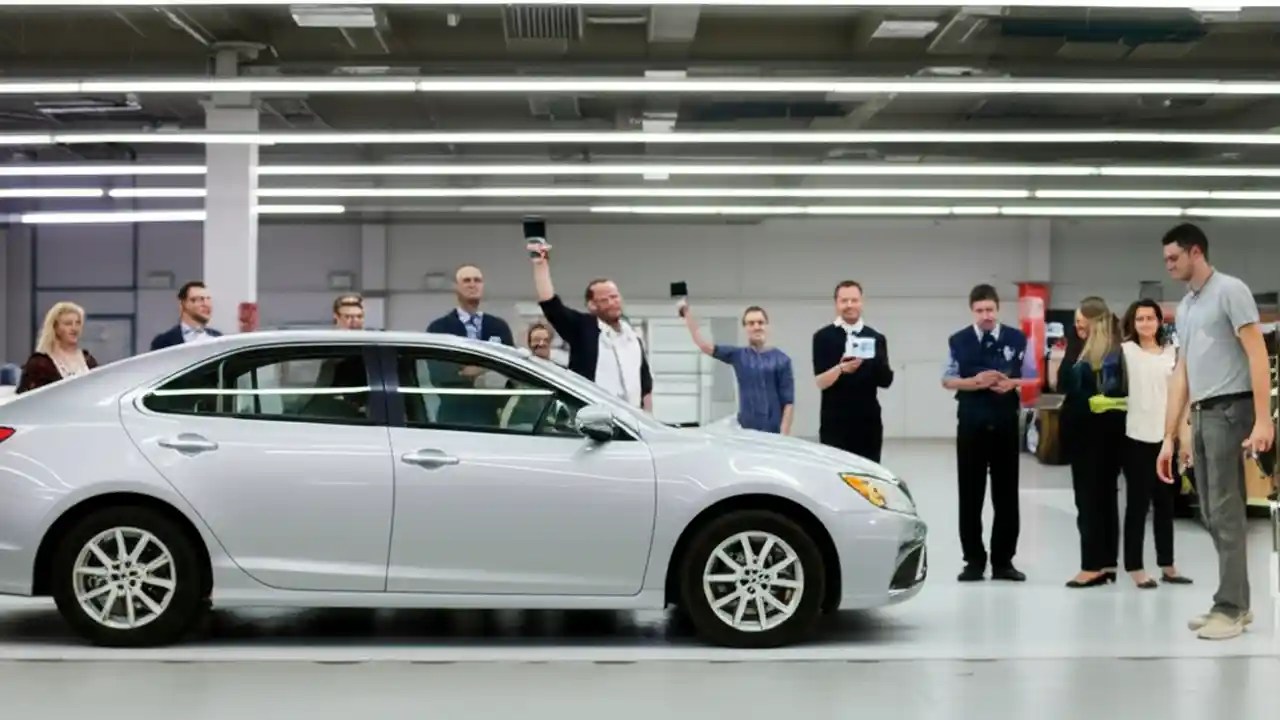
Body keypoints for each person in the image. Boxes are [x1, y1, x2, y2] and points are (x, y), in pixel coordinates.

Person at [1156, 222, 1273, 640]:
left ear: (1196, 252)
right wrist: (1171, 435)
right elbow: (1182, 372)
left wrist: (1264, 419)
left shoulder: (1230, 291)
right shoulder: (1187, 306)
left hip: (1230, 409)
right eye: (1166, 259)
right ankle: (1232, 600)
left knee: (1225, 510)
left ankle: (1232, 608)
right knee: (1208, 511)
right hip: (1202, 413)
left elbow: (1257, 354)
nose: (1169, 265)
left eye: (1174, 257)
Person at [942, 284, 1037, 582]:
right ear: (972, 311)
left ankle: (1003, 562)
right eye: (980, 310)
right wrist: (975, 382)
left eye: (990, 310)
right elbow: (947, 379)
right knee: (970, 494)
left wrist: (1013, 384)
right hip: (971, 423)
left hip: (1005, 422)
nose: (986, 315)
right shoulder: (958, 340)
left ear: (998, 309)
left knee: (1006, 494)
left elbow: (1032, 377)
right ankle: (973, 561)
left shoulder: (1017, 339)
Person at [527, 239, 652, 411]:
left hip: (630, 419)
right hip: (590, 417)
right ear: (592, 305)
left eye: (615, 297)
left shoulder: (632, 338)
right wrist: (540, 264)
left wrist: (649, 418)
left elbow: (645, 385)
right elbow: (551, 306)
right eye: (605, 300)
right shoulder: (583, 328)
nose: (612, 302)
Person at [1120, 299, 1191, 589]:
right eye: (1140, 319)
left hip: (1166, 438)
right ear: (1132, 322)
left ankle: (1167, 564)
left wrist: (1180, 437)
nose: (1145, 323)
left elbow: (1182, 394)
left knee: (1165, 504)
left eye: (1150, 318)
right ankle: (1135, 566)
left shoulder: (1173, 353)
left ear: (1160, 321)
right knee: (1137, 505)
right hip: (1135, 436)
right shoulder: (1125, 351)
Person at [1060, 297, 1125, 589]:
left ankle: (1091, 566)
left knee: (1088, 501)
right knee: (1105, 499)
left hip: (1091, 437)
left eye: (1081, 321)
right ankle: (1107, 562)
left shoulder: (1100, 355)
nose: (1077, 326)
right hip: (1104, 436)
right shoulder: (1110, 350)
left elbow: (1070, 387)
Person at [678, 300, 795, 434]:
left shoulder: (782, 360)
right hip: (746, 432)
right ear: (745, 328)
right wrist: (687, 315)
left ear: (767, 326)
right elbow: (705, 346)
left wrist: (783, 436)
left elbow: (788, 402)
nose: (756, 327)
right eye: (751, 323)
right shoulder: (739, 356)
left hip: (772, 433)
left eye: (760, 322)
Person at [812, 280, 893, 462]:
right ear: (836, 303)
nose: (849, 305)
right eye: (844, 301)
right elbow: (820, 382)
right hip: (834, 422)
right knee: (834, 472)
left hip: (868, 423)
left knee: (868, 473)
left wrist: (876, 359)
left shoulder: (876, 337)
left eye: (854, 300)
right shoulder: (822, 337)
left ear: (861, 302)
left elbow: (886, 381)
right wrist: (841, 368)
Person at [17, 301, 99, 394]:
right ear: (55, 327)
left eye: (78, 323)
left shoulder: (88, 359)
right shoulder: (39, 364)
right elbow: (25, 397)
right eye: (68, 324)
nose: (74, 328)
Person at [426, 264, 514, 346]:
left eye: (477, 280)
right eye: (466, 281)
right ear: (456, 287)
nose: (472, 285)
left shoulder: (499, 327)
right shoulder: (439, 329)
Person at [151, 281, 221, 350]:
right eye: (199, 299)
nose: (206, 304)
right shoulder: (163, 342)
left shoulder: (219, 339)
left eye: (208, 299)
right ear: (182, 305)